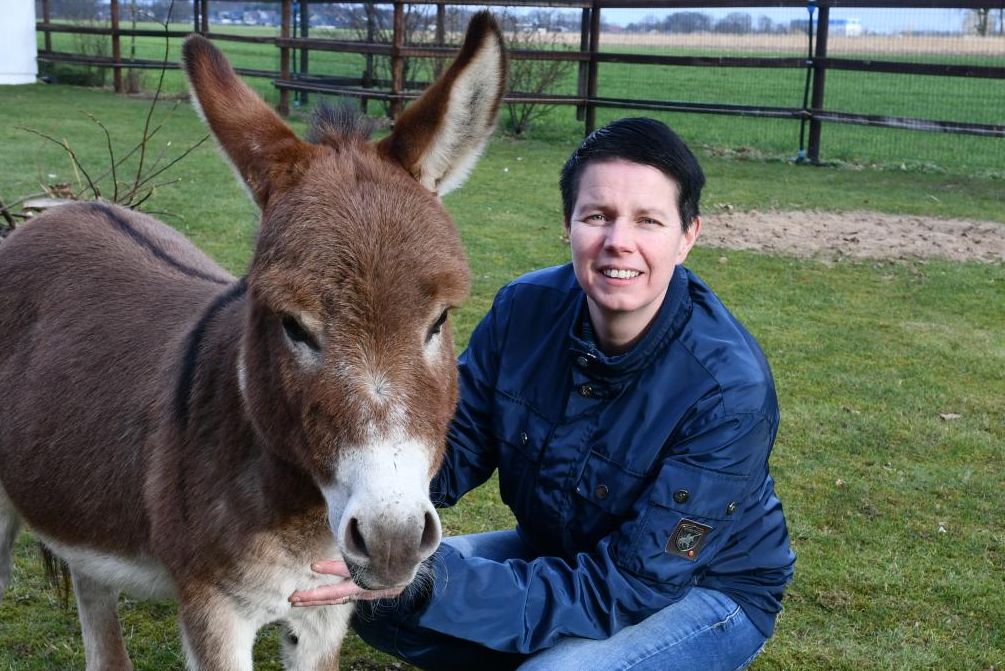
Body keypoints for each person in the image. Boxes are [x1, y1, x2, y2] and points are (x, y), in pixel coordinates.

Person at [289, 117, 795, 670]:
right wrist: (366, 492)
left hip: (701, 588)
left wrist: (438, 590)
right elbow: (455, 445)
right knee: (363, 588)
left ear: (687, 236)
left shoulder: (728, 389)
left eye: (648, 221)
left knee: (458, 610)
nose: (618, 242)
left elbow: (631, 582)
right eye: (597, 216)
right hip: (558, 552)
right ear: (568, 224)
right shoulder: (523, 309)